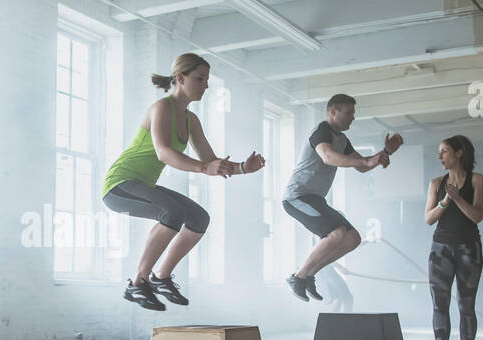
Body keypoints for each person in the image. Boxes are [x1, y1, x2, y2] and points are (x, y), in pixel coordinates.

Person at [101, 53, 265, 310]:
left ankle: (162, 277)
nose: (206, 85)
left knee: (200, 219)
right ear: (180, 78)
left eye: (207, 80)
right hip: (119, 185)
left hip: (144, 186)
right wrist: (203, 168)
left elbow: (212, 161)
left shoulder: (191, 120)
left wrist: (244, 167)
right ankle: (137, 283)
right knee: (173, 212)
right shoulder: (161, 108)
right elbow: (163, 152)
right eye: (200, 78)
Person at [283, 93, 401, 301]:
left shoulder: (342, 139)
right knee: (336, 234)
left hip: (316, 199)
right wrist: (365, 162)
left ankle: (309, 275)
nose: (352, 118)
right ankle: (298, 277)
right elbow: (328, 157)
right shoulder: (322, 131)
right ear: (332, 112)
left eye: (353, 113)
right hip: (297, 197)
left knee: (353, 238)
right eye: (348, 113)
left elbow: (362, 165)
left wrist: (385, 152)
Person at [423, 135, 483, 340]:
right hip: (440, 248)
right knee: (439, 304)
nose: (440, 156)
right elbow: (428, 218)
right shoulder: (436, 183)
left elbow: (477, 215)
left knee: (466, 304)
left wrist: (458, 197)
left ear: (459, 153)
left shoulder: (479, 180)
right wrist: (445, 201)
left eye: (444, 151)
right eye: (439, 152)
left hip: (469, 248)